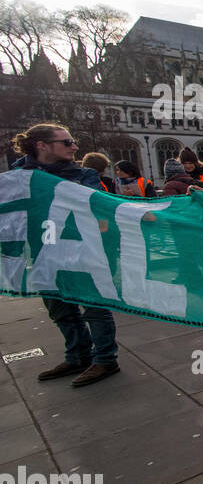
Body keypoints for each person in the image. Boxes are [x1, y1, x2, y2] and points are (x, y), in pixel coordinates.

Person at [10, 124, 120, 387]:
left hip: (80, 249)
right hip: (42, 251)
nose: (75, 146)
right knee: (59, 308)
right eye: (67, 142)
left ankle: (105, 358)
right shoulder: (19, 177)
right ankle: (78, 355)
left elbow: (101, 209)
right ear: (41, 145)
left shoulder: (84, 175)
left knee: (94, 306)